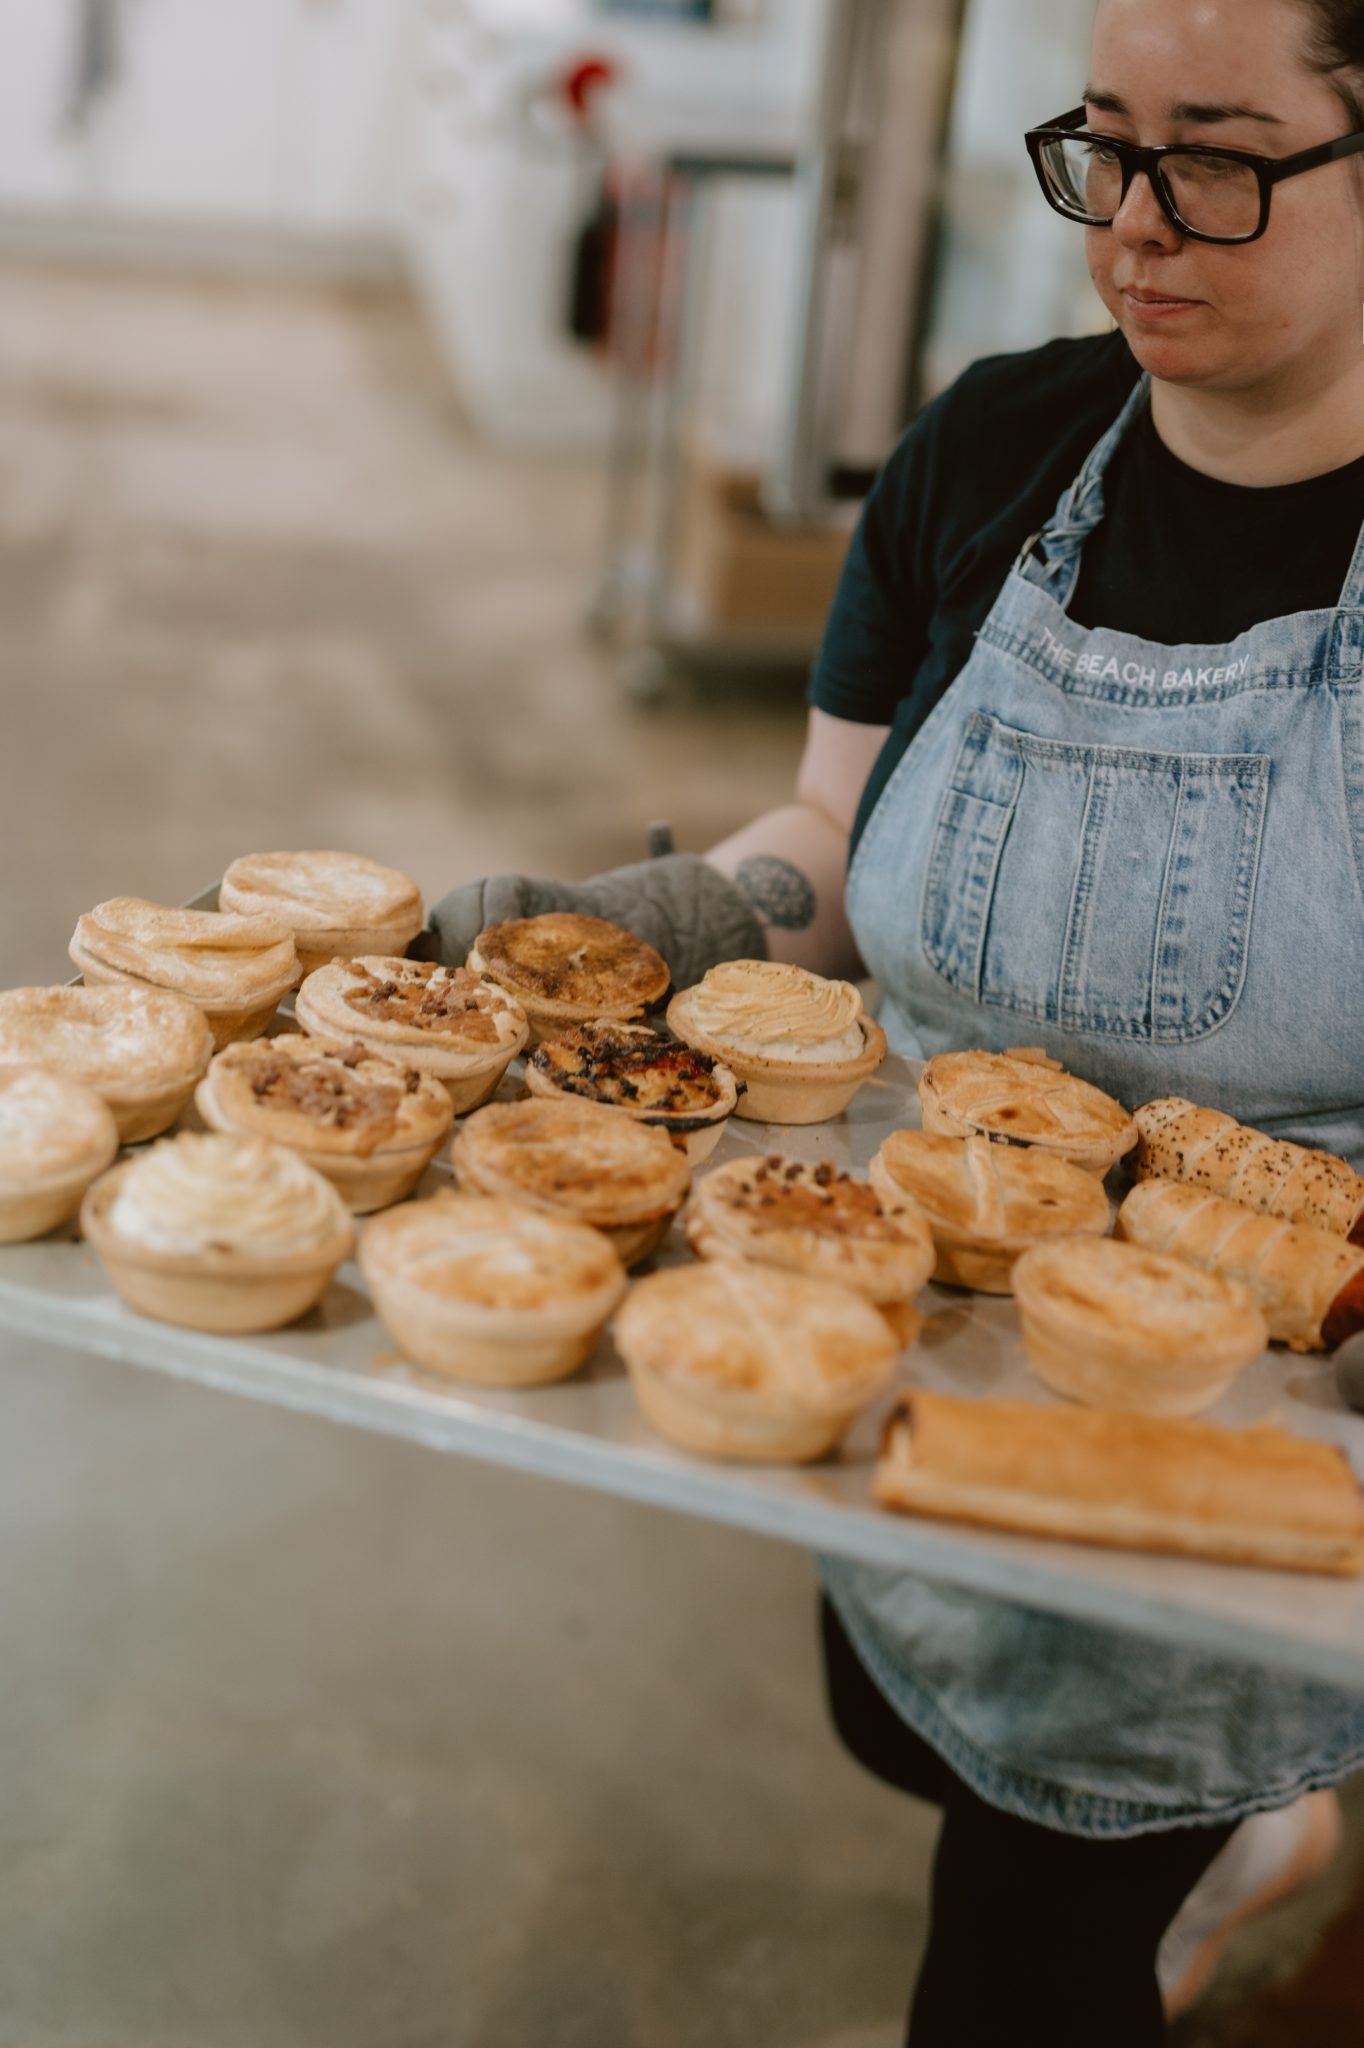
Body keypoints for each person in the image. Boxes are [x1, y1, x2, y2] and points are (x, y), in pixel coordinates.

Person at [419, 0, 1364, 2038]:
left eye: (1213, 156)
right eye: (1100, 141)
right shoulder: (1002, 443)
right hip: (902, 1287)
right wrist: (644, 925)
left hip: (1243, 1426)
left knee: (1019, 1956)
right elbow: (833, 835)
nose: (1131, 221)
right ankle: (1234, 1828)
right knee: (907, 1719)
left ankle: (1211, 1820)